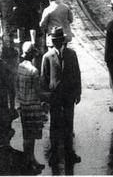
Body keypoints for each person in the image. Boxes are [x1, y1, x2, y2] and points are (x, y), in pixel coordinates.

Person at [41, 27, 82, 167]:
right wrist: (45, 98)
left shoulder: (72, 54)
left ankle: (69, 153)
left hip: (69, 95)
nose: (55, 42)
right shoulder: (47, 57)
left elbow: (77, 74)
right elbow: (44, 78)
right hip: (55, 97)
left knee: (68, 124)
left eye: (57, 40)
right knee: (55, 125)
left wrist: (78, 92)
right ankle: (54, 154)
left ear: (62, 40)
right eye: (53, 40)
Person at [16, 41, 46, 171]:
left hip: (23, 105)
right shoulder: (34, 71)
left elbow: (16, 85)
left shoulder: (19, 67)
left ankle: (30, 159)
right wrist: (48, 97)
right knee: (32, 136)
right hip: (33, 106)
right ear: (32, 55)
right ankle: (29, 162)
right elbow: (38, 91)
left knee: (26, 135)